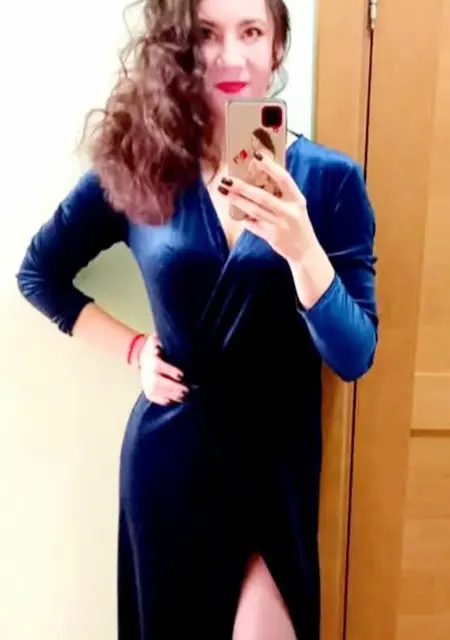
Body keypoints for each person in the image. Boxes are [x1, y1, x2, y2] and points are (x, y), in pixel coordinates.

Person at [15, 0, 378, 638]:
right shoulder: (142, 168)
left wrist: (303, 250)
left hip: (275, 465)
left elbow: (355, 356)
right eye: (208, 35)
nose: (231, 57)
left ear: (278, 46)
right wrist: (135, 350)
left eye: (252, 32)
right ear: (182, 47)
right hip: (171, 458)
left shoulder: (331, 182)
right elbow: (38, 274)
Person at [233, 128, 283, 197]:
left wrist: (243, 163)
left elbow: (253, 174)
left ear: (258, 140)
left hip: (259, 188)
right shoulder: (267, 153)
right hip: (262, 188)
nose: (251, 143)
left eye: (252, 140)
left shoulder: (261, 155)